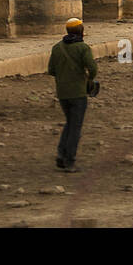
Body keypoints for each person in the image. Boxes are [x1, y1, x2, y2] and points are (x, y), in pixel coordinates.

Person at [47, 18, 97, 172]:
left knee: (70, 123)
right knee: (75, 127)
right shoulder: (83, 48)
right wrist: (89, 79)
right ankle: (69, 161)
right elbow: (92, 68)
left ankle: (61, 156)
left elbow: (51, 70)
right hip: (78, 93)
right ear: (81, 31)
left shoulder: (57, 48)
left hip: (62, 93)